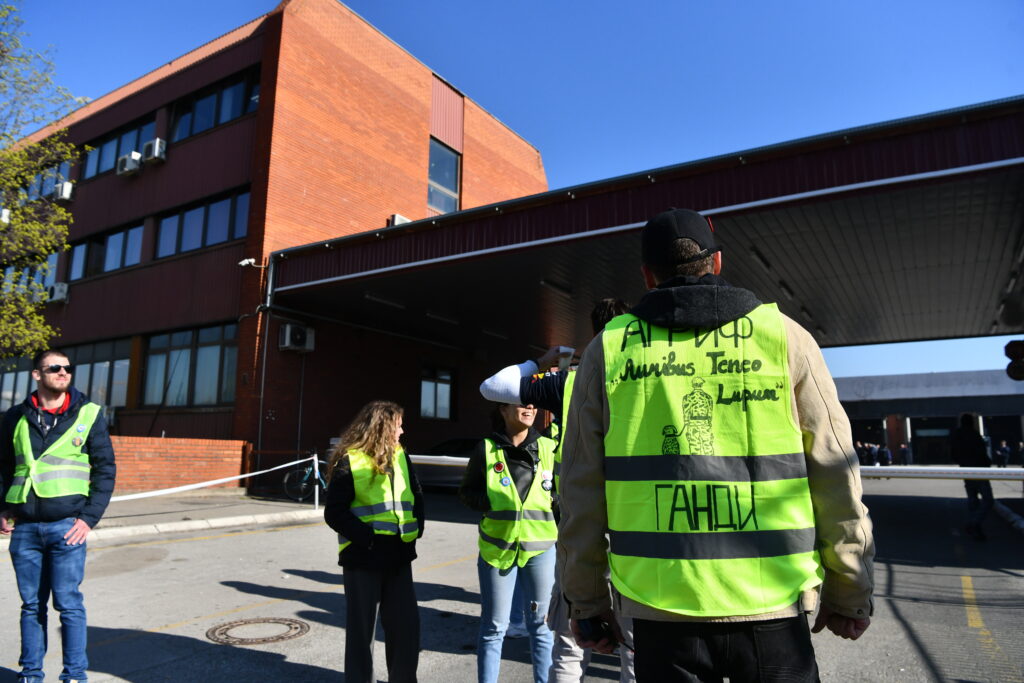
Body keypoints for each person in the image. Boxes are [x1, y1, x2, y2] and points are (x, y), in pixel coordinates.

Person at [557, 208, 875, 682]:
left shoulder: (609, 349)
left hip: (661, 608)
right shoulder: (785, 337)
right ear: (718, 262)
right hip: (773, 605)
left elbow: (579, 484)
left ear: (647, 275)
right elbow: (835, 471)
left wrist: (585, 600)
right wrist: (849, 588)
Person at [480, 298, 636, 683]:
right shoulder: (647, 374)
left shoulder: (570, 380)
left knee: (569, 648)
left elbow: (492, 386)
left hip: (580, 530)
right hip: (635, 533)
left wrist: (542, 361)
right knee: (636, 653)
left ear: (594, 334)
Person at [0, 348, 117, 683]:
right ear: (37, 374)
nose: (63, 372)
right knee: (31, 606)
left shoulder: (89, 414)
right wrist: (3, 507)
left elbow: (105, 470)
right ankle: (31, 675)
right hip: (24, 528)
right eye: (54, 368)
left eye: (67, 368)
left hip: (68, 527)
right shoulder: (15, 417)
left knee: (69, 605)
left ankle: (74, 676)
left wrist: (88, 519)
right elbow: (5, 467)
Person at [323, 400, 423, 683]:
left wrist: (416, 530)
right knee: (361, 633)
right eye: (398, 425)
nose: (402, 431)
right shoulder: (350, 459)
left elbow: (416, 495)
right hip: (363, 558)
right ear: (382, 426)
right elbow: (335, 513)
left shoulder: (402, 455)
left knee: (406, 629)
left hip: (399, 556)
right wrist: (368, 539)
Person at [460, 403, 557, 683]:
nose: (530, 407)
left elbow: (562, 497)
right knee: (493, 628)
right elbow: (467, 493)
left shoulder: (549, 448)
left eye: (532, 403)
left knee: (541, 626)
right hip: (496, 551)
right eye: (521, 402)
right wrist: (491, 502)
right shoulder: (487, 449)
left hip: (541, 550)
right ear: (503, 409)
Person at [950, 413, 992, 541]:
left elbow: (953, 453)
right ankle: (974, 523)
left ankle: (974, 525)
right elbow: (981, 453)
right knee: (988, 500)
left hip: (966, 471)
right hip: (978, 471)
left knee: (973, 500)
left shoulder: (956, 436)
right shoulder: (974, 435)